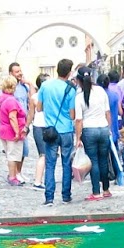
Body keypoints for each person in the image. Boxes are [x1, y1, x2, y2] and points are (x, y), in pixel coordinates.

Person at [37, 58, 81, 205]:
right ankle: (66, 195)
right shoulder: (70, 89)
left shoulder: (45, 86)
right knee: (66, 162)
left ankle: (49, 197)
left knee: (50, 163)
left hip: (51, 130)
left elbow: (39, 108)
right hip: (66, 130)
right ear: (69, 73)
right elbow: (72, 114)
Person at [76, 66, 113, 199]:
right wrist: (109, 128)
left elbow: (79, 120)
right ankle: (106, 189)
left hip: (89, 130)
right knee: (104, 160)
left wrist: (78, 137)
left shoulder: (80, 97)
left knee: (93, 161)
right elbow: (107, 112)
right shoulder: (101, 91)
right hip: (103, 128)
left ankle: (96, 191)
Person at [0, 76, 26, 183]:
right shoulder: (11, 100)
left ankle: (12, 175)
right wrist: (17, 132)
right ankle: (13, 177)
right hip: (11, 131)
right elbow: (12, 117)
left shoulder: (1, 97)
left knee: (9, 153)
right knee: (13, 155)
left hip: (3, 128)